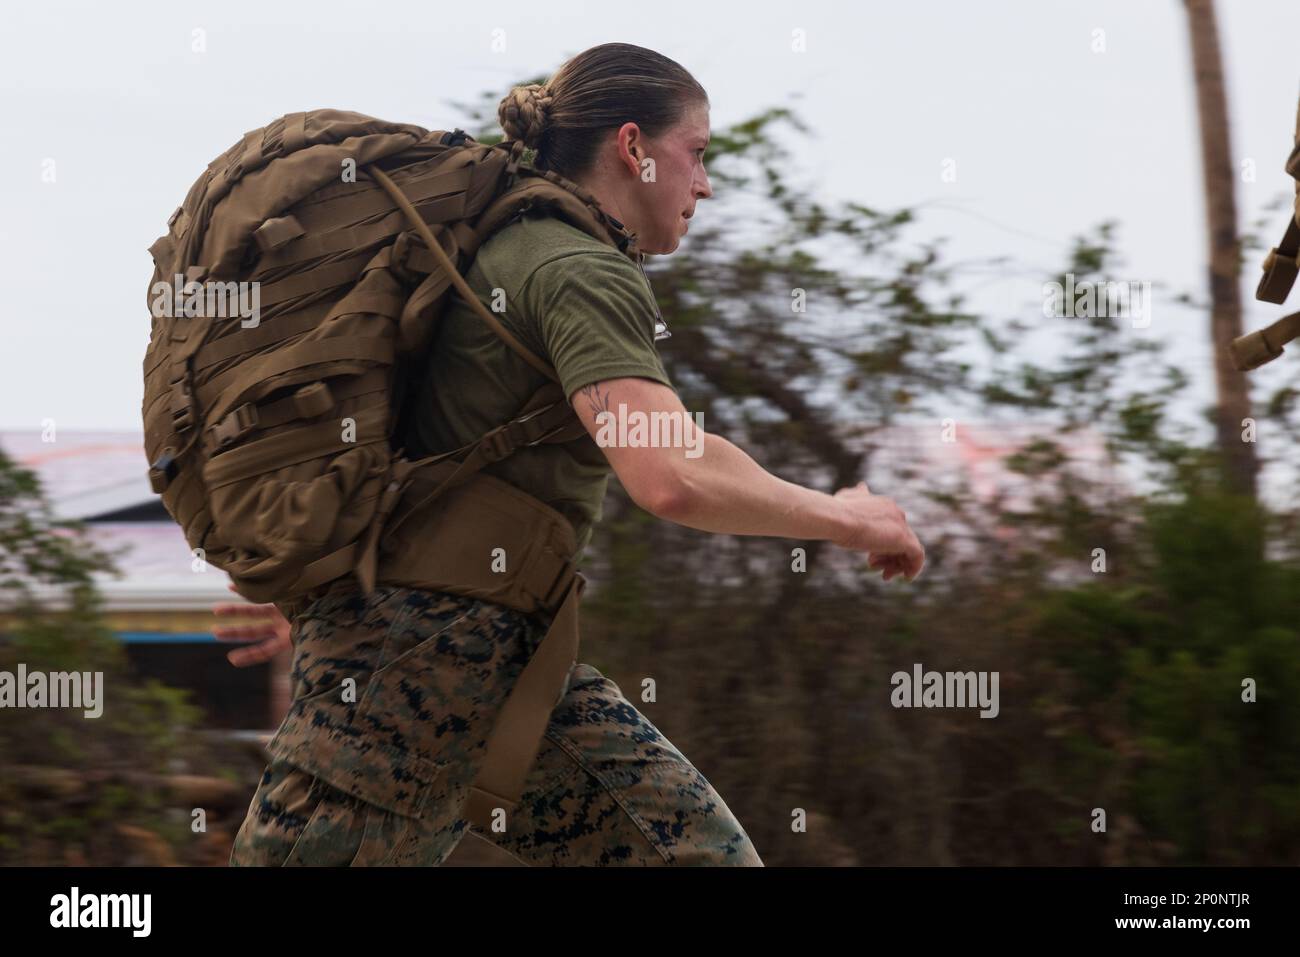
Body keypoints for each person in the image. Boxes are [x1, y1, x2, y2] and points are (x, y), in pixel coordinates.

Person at [220, 42, 925, 867]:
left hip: (509, 671)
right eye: (696, 154)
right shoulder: (576, 266)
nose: (705, 184)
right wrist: (845, 520)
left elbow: (670, 440)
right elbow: (669, 477)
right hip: (402, 681)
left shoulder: (492, 250)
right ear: (633, 148)